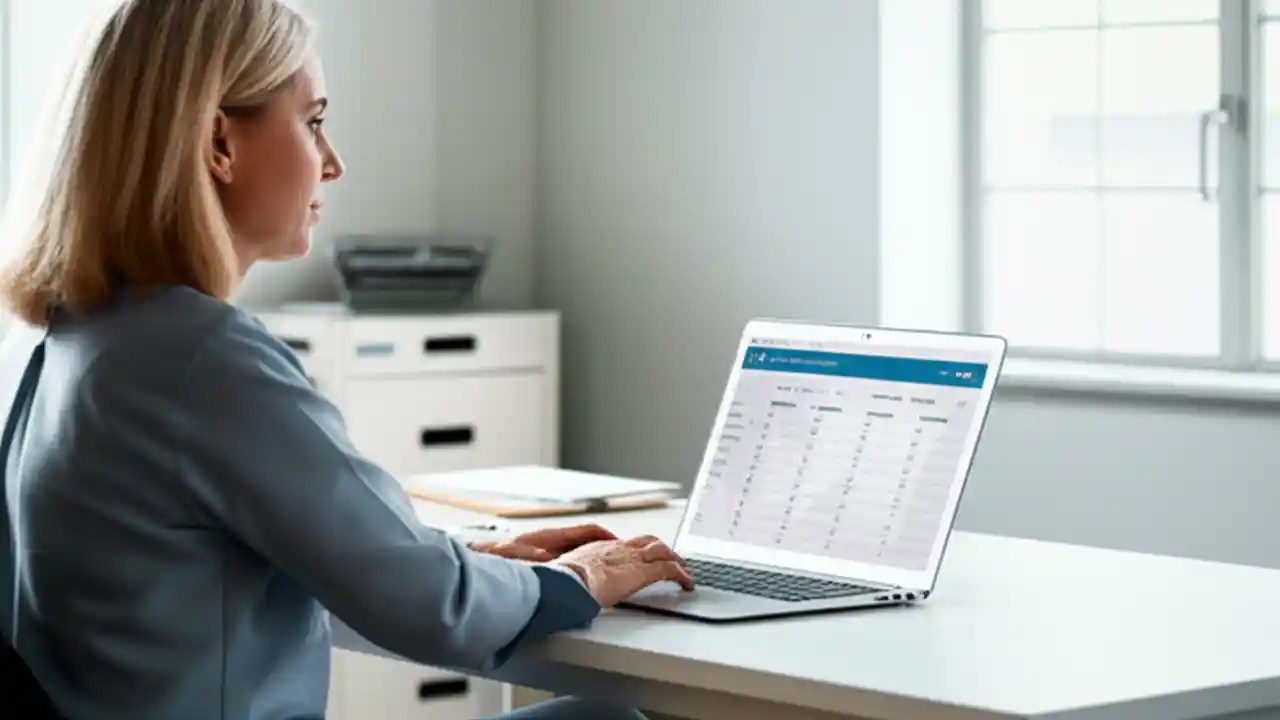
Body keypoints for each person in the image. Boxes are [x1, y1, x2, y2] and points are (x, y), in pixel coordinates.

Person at [0, 1, 694, 719]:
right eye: (313, 121)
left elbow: (286, 557)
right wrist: (581, 578)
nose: (332, 164)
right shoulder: (202, 360)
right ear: (219, 143)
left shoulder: (51, 343)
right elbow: (430, 607)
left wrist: (474, 559)